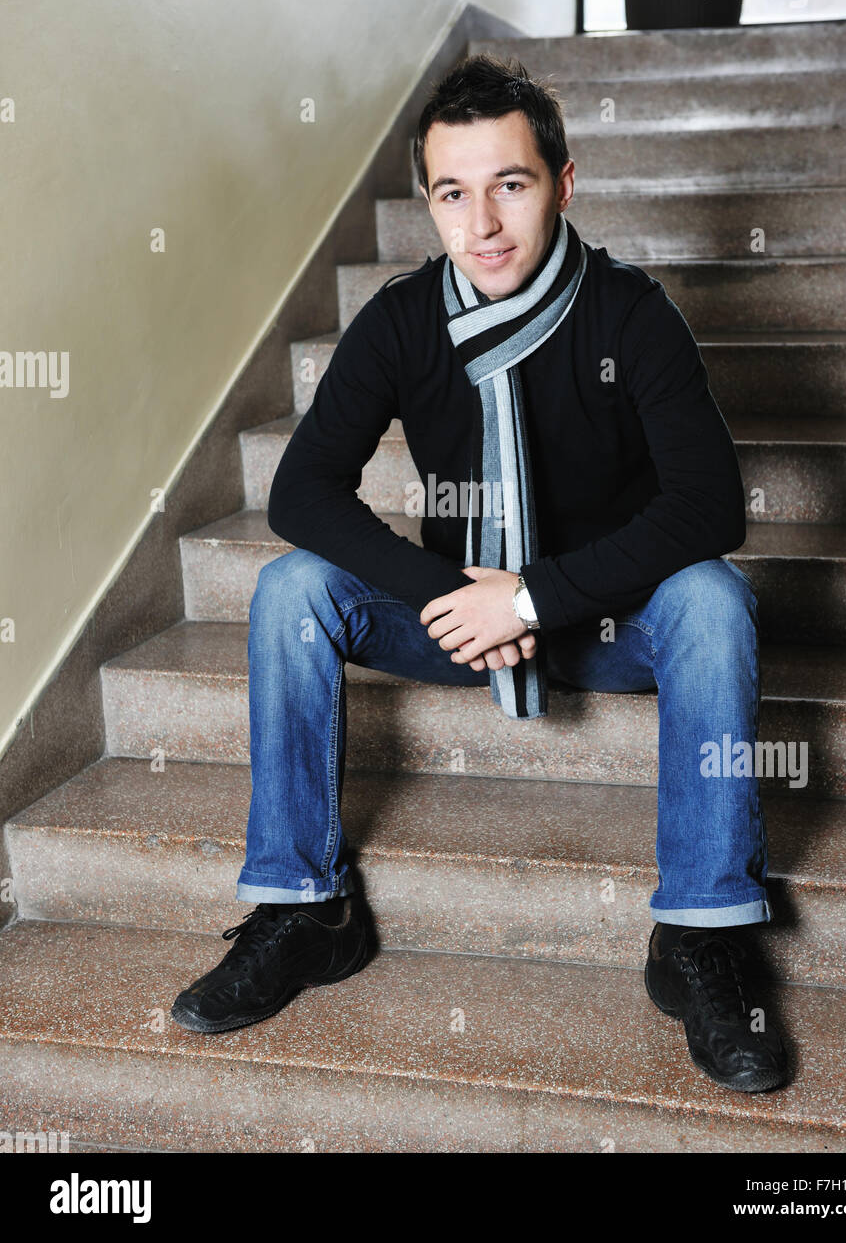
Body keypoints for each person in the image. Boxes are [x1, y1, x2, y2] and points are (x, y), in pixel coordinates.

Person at [172, 55, 788, 1095]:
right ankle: (304, 908)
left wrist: (535, 596)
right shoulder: (407, 318)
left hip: (607, 623)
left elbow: (708, 509)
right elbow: (303, 492)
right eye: (454, 193)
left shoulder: (631, 314)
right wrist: (446, 594)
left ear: (564, 182)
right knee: (292, 589)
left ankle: (699, 935)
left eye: (512, 183)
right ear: (429, 204)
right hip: (454, 616)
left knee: (713, 598)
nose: (485, 222)